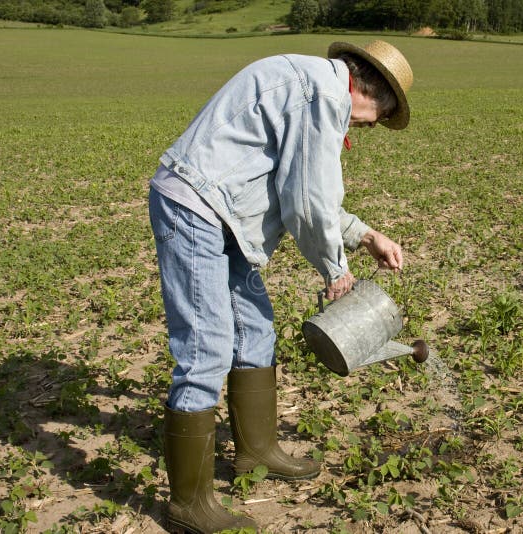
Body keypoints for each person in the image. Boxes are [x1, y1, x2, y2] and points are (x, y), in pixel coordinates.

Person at [147, 40, 413, 533]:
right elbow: (310, 200)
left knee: (255, 332)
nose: (365, 128)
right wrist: (336, 271)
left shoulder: (315, 84)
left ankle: (257, 451)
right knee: (206, 349)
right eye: (373, 121)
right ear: (371, 94)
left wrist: (366, 235)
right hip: (195, 213)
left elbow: (302, 185)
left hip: (221, 214)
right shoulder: (323, 97)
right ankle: (188, 505)